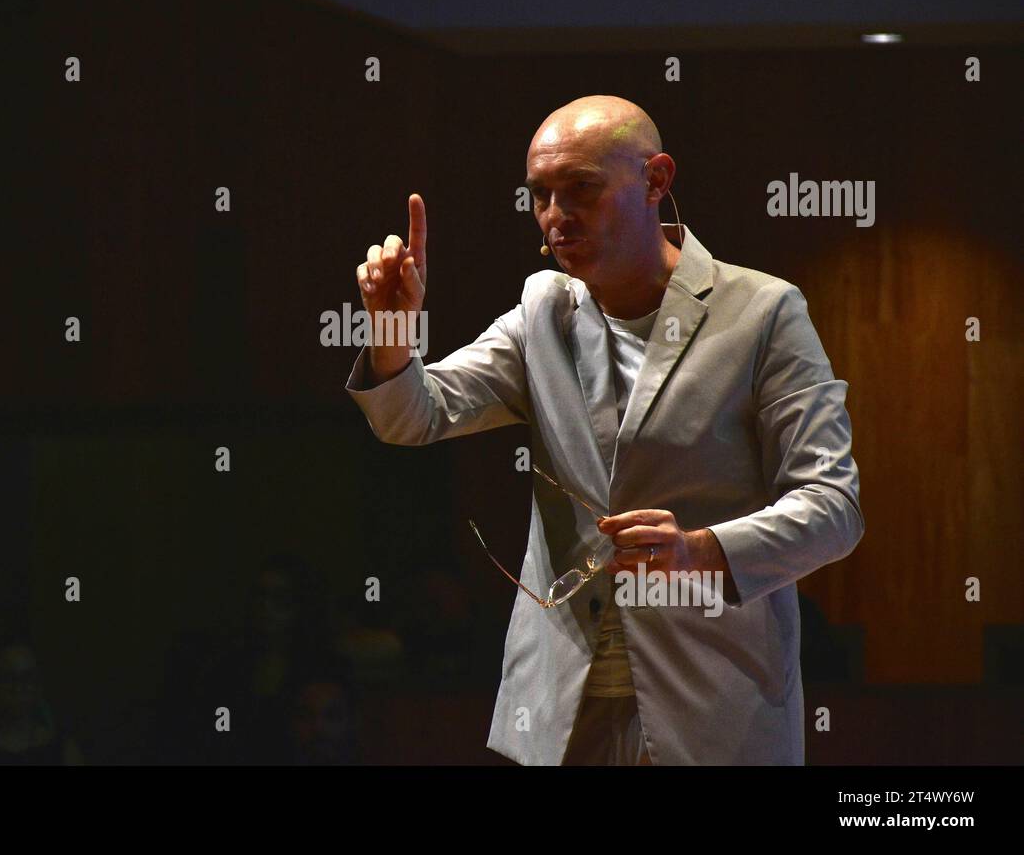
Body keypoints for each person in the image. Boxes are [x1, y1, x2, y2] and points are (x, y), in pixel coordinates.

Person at [345, 95, 864, 765]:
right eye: (540, 195)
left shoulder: (762, 312)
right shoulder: (543, 311)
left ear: (656, 180)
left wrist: (698, 551)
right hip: (562, 713)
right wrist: (393, 327)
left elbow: (834, 509)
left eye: (581, 190)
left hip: (712, 713)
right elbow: (412, 417)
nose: (556, 218)